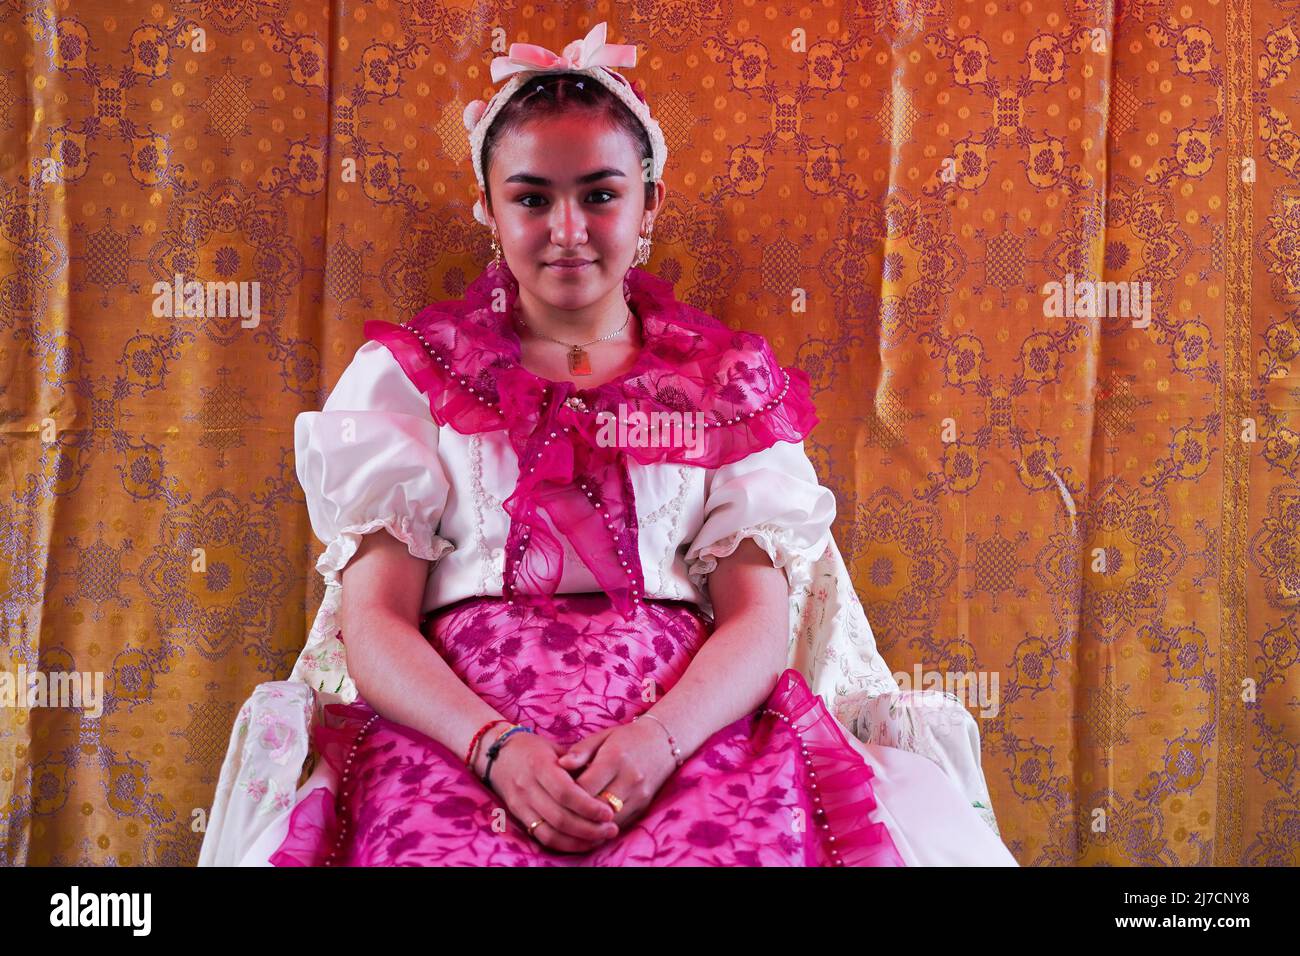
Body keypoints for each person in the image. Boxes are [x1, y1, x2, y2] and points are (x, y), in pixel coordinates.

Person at [206, 23, 1018, 867]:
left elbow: (758, 614)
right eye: (531, 197)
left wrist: (659, 742)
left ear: (649, 201)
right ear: (487, 205)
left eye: (599, 194)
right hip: (457, 744)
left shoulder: (719, 380)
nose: (567, 228)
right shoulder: (411, 379)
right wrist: (493, 747)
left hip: (685, 737)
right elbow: (372, 621)